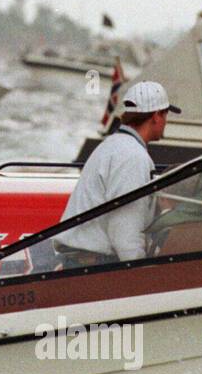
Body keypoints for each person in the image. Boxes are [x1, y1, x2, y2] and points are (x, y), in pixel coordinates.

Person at [54, 81, 179, 264]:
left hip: (81, 261)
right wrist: (141, 271)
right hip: (95, 267)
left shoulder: (112, 145)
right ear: (156, 116)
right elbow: (125, 228)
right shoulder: (132, 156)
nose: (166, 121)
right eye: (166, 114)